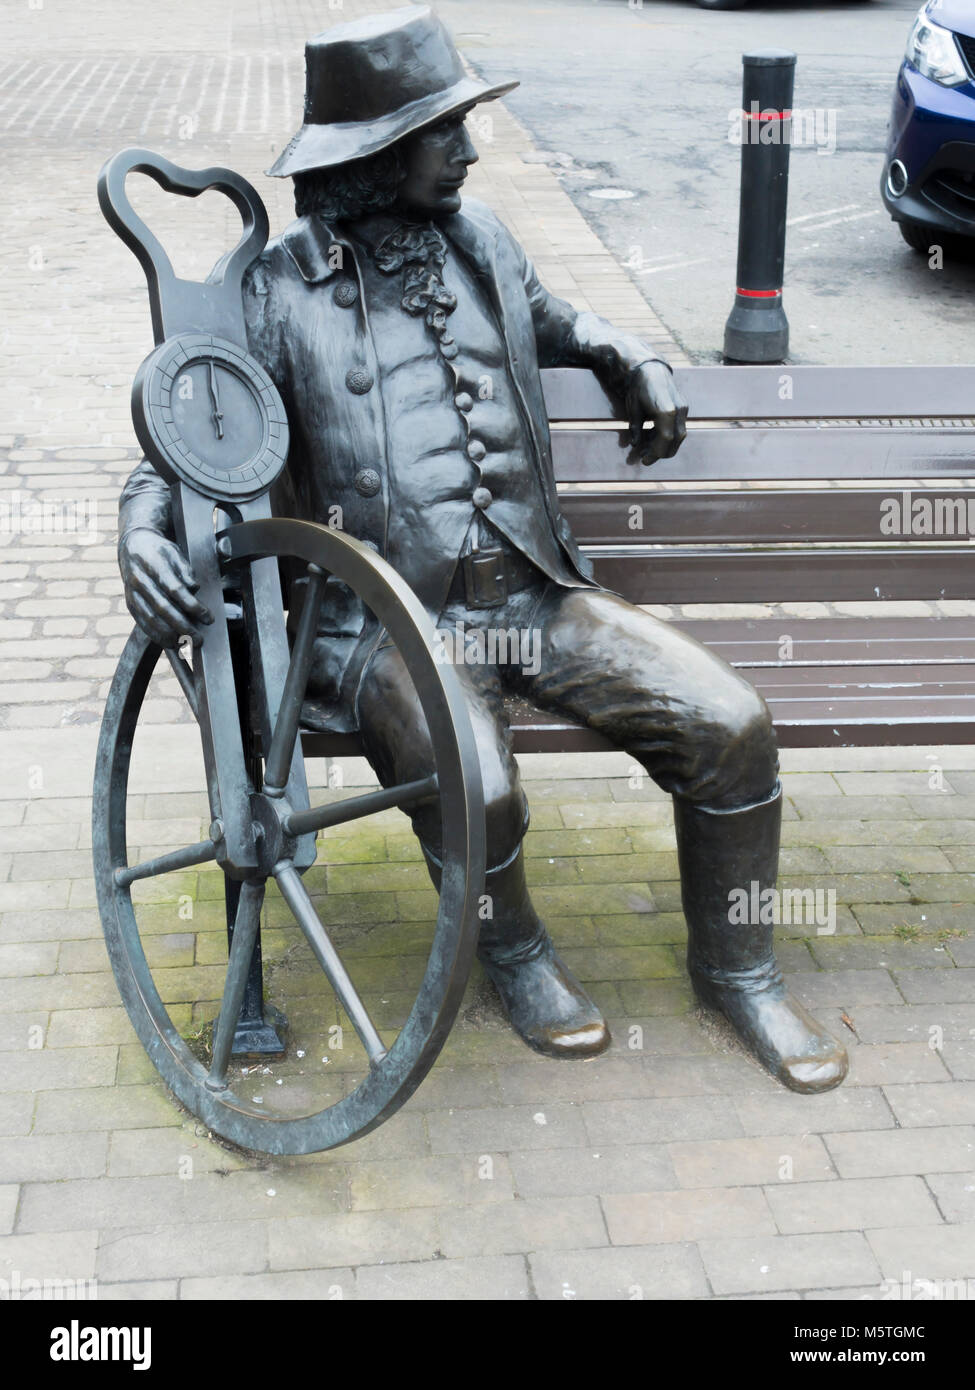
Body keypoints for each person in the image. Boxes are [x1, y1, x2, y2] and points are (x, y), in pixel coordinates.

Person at [118, 6, 847, 1092]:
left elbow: (549, 315)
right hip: (381, 629)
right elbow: (182, 447)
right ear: (372, 154)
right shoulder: (275, 294)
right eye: (441, 130)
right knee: (479, 782)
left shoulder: (484, 240)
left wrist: (619, 345)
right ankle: (515, 952)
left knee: (732, 726)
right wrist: (140, 531)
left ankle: (738, 970)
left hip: (530, 598)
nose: (466, 149)